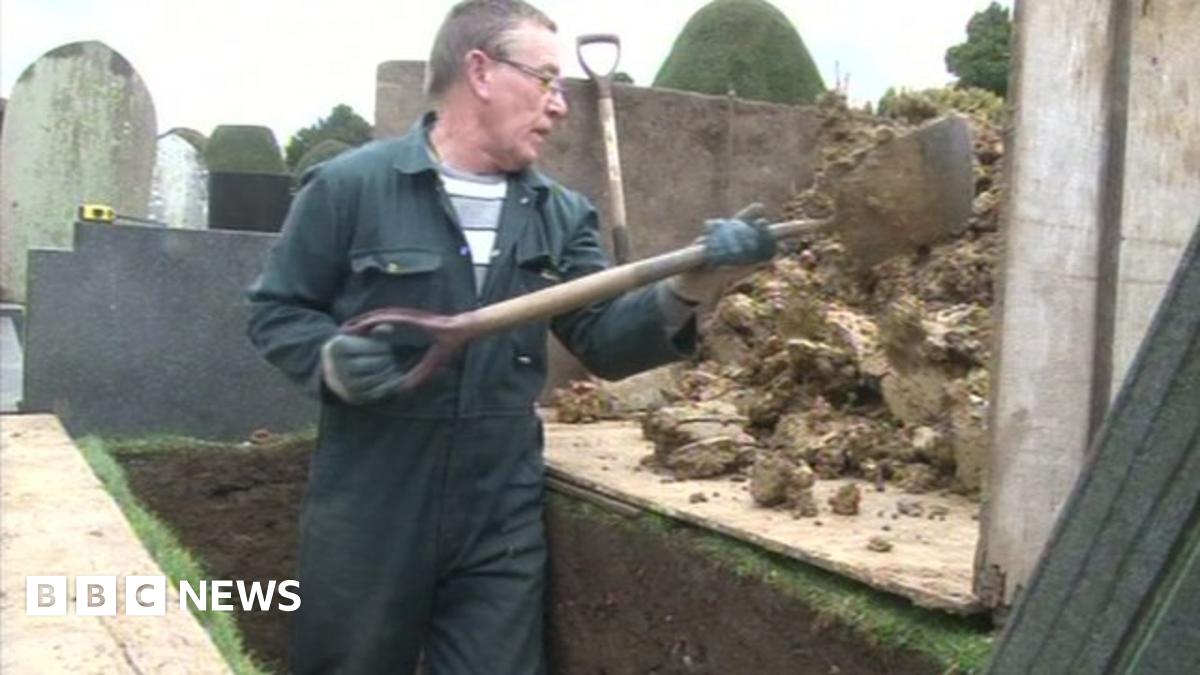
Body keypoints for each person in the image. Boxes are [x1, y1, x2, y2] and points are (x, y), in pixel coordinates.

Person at [246, 1, 775, 672]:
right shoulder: (351, 188)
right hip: (371, 504)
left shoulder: (561, 215)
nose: (559, 106)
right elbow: (276, 310)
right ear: (482, 71)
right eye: (546, 79)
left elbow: (605, 341)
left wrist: (695, 285)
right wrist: (328, 359)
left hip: (498, 513)